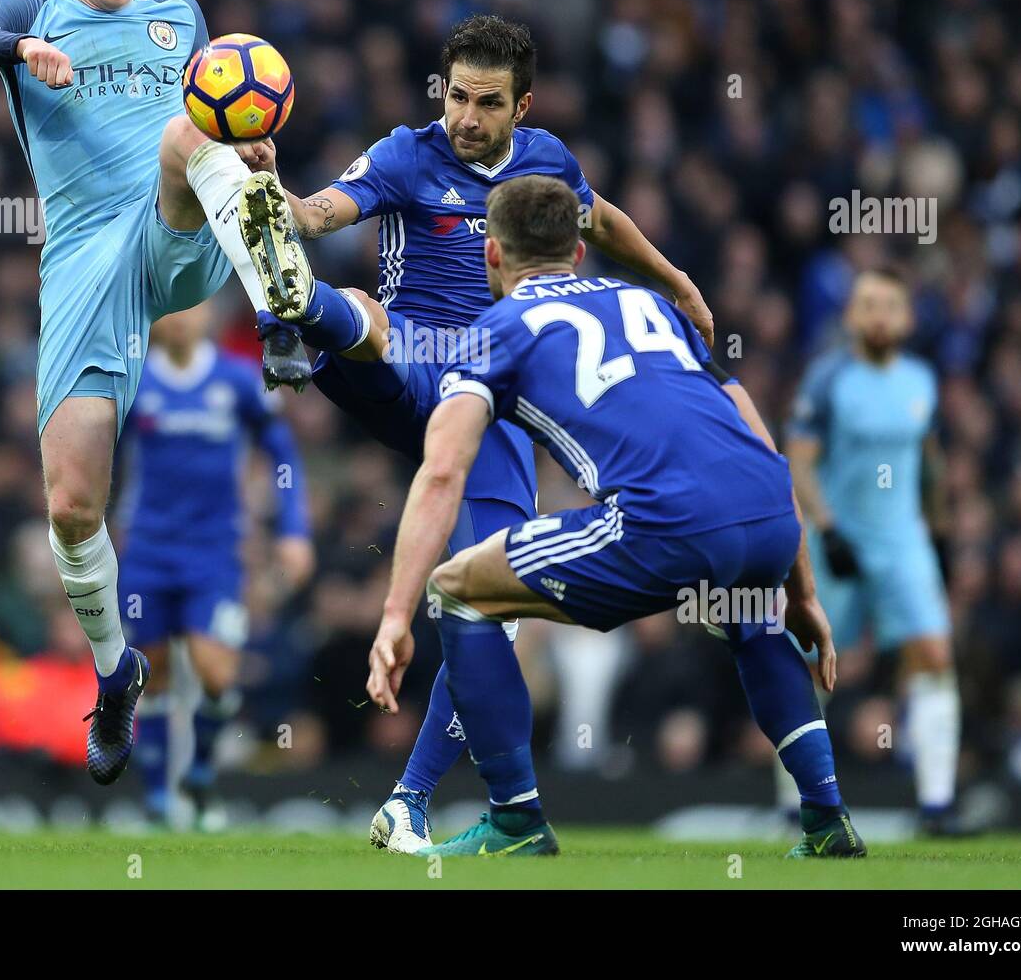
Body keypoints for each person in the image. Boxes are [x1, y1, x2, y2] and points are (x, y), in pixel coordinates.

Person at [234, 14, 714, 850]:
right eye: (456, 95)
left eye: (487, 103)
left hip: (490, 398)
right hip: (404, 367)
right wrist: (279, 193)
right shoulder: (404, 154)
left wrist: (674, 279)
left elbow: (601, 223)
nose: (465, 116)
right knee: (376, 320)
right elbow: (322, 211)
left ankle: (408, 803)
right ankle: (299, 308)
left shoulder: (548, 164)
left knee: (483, 603)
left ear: (520, 106)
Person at [0, 0, 307, 785]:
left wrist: (247, 148)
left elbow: (219, 119)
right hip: (85, 262)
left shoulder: (180, 15)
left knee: (189, 137)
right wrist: (22, 53)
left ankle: (281, 315)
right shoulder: (34, 11)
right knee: (71, 506)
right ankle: (116, 674)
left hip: (171, 227)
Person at [365, 174, 865, 859]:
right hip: (765, 513)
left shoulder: (495, 329)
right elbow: (757, 437)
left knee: (459, 587)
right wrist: (801, 589)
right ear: (577, 253)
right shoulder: (650, 304)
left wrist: (395, 614)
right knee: (749, 614)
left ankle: (515, 820)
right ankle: (827, 818)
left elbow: (445, 469)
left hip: (664, 523)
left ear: (491, 254)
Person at [116, 300, 312, 824]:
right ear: (152, 315)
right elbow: (102, 456)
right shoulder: (133, 380)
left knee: (217, 673)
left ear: (210, 315)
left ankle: (200, 768)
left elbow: (283, 452)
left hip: (216, 553)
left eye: (192, 306)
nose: (180, 317)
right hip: (149, 551)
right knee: (150, 674)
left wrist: (292, 529)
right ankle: (158, 798)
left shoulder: (238, 379)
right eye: (169, 307)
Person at [784, 268, 960, 835]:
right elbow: (801, 460)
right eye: (867, 304)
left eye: (889, 304)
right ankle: (798, 802)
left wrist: (939, 528)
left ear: (906, 318)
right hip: (838, 539)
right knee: (810, 667)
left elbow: (931, 460)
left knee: (933, 658)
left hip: (903, 541)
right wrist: (827, 529)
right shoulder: (828, 378)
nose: (878, 315)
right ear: (851, 316)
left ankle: (937, 805)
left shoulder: (921, 380)